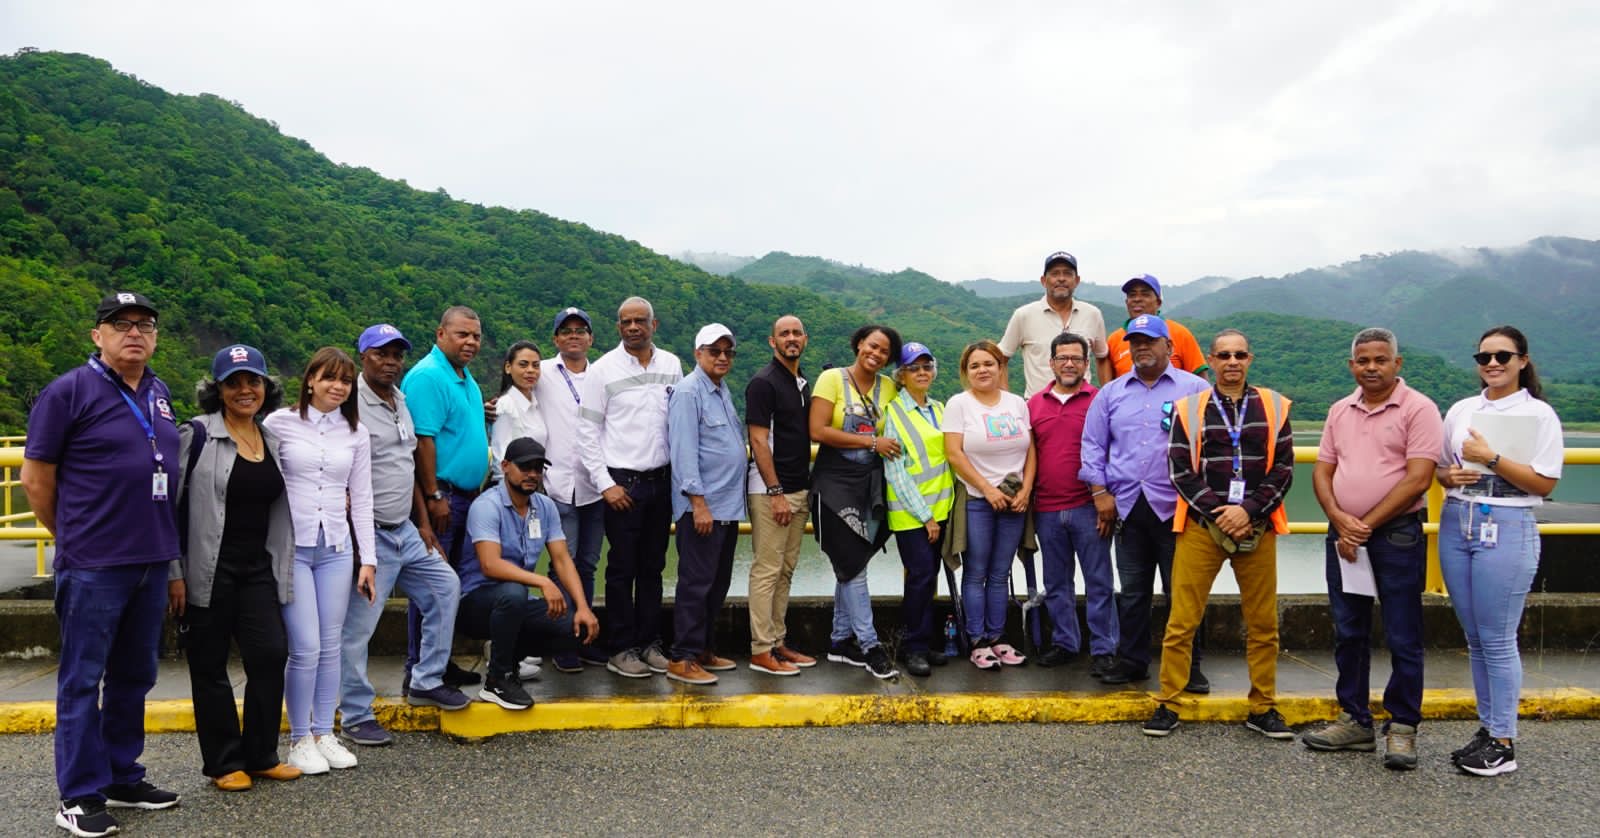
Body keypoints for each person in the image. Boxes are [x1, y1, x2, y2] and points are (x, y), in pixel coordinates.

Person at [23, 291, 182, 836]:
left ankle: (121, 775)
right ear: (98, 334)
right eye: (120, 323)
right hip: (94, 562)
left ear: (155, 336)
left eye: (145, 324)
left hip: (151, 558)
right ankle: (79, 794)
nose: (133, 331)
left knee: (135, 675)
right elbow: (36, 479)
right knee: (81, 679)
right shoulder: (69, 391)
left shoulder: (160, 393)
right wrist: (70, 537)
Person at [1143, 329, 1295, 740]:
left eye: (1240, 354)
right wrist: (1219, 513)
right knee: (1182, 620)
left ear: (1250, 359)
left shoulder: (1275, 406)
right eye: (1224, 355)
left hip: (1257, 525)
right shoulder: (1188, 408)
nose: (1232, 362)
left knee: (1263, 623)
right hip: (1201, 526)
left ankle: (1263, 706)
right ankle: (1168, 702)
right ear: (1210, 360)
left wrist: (1247, 510)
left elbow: (1283, 469)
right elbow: (1179, 469)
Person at [1302, 328, 1442, 769]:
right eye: (1363, 361)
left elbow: (1419, 478)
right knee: (1349, 629)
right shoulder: (1340, 410)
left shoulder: (1419, 408)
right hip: (1344, 534)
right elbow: (1323, 471)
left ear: (1397, 364)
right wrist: (1340, 519)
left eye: (1380, 360)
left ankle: (1402, 727)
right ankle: (1355, 721)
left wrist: (1362, 525)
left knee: (1403, 633)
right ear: (1352, 366)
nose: (1371, 367)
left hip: (1395, 534)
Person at [1434, 326, 1562, 777]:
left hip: (1508, 524)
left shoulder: (1539, 415)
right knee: (1474, 638)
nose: (1492, 364)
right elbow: (1441, 469)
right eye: (1484, 356)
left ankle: (1504, 741)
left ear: (1522, 361)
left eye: (1503, 357)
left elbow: (1545, 483)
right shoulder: (1462, 409)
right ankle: (1488, 730)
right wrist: (1449, 477)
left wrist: (1490, 459)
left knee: (1498, 638)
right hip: (1457, 520)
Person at [172, 345, 301, 791]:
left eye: (254, 381)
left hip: (256, 569)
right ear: (217, 389)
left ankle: (261, 753)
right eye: (234, 382)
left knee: (270, 656)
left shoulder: (272, 440)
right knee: (209, 667)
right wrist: (175, 573)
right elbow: (168, 509)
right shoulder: (196, 435)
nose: (245, 390)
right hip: (206, 568)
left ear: (267, 387)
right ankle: (224, 762)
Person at [338, 324, 469, 750]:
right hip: (369, 534)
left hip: (406, 530)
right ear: (363, 357)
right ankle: (356, 714)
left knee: (445, 587)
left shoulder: (401, 401)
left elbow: (405, 462)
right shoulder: (349, 405)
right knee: (358, 630)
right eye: (381, 354)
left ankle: (427, 680)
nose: (390, 361)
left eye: (396, 354)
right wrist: (357, 540)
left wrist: (424, 522)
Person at [263, 348, 378, 774]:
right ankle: (298, 739)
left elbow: (362, 498)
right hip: (293, 548)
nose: (337, 386)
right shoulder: (279, 423)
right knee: (306, 646)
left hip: (336, 547)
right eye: (329, 377)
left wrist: (368, 560)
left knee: (331, 645)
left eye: (345, 381)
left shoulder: (356, 432)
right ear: (309, 379)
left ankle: (323, 732)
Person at [1079, 315, 1210, 686]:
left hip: (1179, 506)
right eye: (1135, 342)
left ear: (1168, 346)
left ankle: (1189, 665)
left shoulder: (1195, 389)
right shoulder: (1112, 393)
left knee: (1181, 591)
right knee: (1133, 592)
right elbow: (1092, 446)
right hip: (1128, 505)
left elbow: (1212, 445)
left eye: (1150, 341)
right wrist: (1101, 494)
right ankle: (1132, 661)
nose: (1141, 348)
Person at [576, 297, 684, 678]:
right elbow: (587, 432)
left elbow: (680, 422)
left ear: (654, 325)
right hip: (623, 484)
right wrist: (605, 485)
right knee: (622, 568)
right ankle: (621, 647)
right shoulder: (602, 370)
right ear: (618, 327)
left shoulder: (672, 364)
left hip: (661, 481)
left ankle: (650, 642)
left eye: (640, 321)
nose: (633, 327)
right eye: (626, 322)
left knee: (653, 568)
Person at [459, 437, 601, 709]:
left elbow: (562, 559)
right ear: (505, 466)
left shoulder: (544, 507)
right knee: (514, 594)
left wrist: (583, 607)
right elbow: (490, 564)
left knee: (572, 628)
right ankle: (497, 681)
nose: (532, 474)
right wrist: (542, 581)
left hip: (513, 602)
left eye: (538, 468)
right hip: (474, 603)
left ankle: (510, 661)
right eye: (525, 467)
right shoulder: (487, 505)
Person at [401, 306, 489, 693]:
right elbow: (423, 440)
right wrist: (434, 494)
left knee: (450, 587)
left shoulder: (464, 377)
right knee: (431, 587)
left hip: (468, 497)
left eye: (475, 336)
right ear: (440, 334)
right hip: (443, 497)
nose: (470, 342)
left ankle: (440, 662)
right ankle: (417, 669)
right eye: (462, 334)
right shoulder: (427, 376)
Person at [809, 324, 903, 680]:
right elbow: (817, 430)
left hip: (871, 485)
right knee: (853, 565)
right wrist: (869, 443)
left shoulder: (889, 387)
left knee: (851, 563)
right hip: (834, 483)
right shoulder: (832, 379)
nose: (875, 354)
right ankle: (870, 645)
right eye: (871, 346)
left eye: (883, 351)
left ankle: (839, 641)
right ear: (859, 344)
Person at [1027, 332, 1117, 670]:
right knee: (1056, 582)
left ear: (1086, 364)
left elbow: (1113, 452)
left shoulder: (1101, 400)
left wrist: (1106, 498)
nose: (1069, 363)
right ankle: (1065, 642)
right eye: (1062, 358)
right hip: (1047, 508)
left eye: (1076, 358)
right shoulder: (1033, 405)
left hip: (1089, 507)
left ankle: (1104, 649)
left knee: (1099, 580)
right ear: (1051, 363)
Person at [943, 340, 1035, 669]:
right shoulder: (959, 404)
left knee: (1001, 572)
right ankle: (977, 640)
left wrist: (1026, 488)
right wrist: (986, 488)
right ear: (966, 372)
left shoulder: (1016, 403)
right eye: (975, 366)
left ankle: (998, 639)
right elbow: (954, 453)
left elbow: (1030, 449)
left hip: (1014, 499)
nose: (982, 370)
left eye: (989, 364)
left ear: (1000, 367)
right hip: (978, 501)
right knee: (976, 571)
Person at [664, 324, 748, 685]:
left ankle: (702, 649)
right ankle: (682, 657)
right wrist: (697, 502)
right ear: (697, 353)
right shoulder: (687, 392)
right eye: (715, 351)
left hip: (727, 507)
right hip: (703, 507)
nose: (723, 357)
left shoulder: (720, 389)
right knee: (696, 583)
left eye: (728, 352)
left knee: (717, 583)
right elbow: (683, 452)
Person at [535, 307, 608, 667]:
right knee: (561, 566)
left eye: (581, 330)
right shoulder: (543, 372)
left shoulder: (604, 375)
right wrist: (494, 407)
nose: (574, 335)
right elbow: (514, 390)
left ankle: (584, 636)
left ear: (591, 338)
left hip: (596, 487)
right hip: (558, 485)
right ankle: (561, 641)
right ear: (556, 339)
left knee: (588, 564)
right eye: (566, 331)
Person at [745, 315, 817, 676]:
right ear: (772, 341)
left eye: (796, 333)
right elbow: (758, 440)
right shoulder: (763, 382)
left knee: (785, 571)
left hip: (799, 487)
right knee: (767, 570)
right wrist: (775, 492)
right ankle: (761, 649)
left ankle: (778, 641)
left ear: (805, 339)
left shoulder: (802, 382)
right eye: (783, 334)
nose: (791, 338)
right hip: (772, 491)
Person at [882, 342, 954, 677]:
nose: (922, 373)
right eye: (914, 368)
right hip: (913, 515)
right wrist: (925, 516)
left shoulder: (940, 409)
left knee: (930, 579)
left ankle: (925, 643)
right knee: (921, 577)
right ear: (902, 375)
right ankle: (912, 648)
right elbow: (895, 472)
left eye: (927, 366)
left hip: (943, 509)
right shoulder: (894, 412)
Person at [998, 250, 1111, 396]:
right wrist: (1008, 402)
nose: (1061, 279)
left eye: (1067, 273)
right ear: (1044, 280)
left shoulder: (1092, 314)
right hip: (1037, 408)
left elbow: (1102, 357)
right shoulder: (1024, 315)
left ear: (1076, 280)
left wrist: (1107, 397)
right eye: (1055, 273)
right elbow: (1000, 358)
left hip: (1083, 406)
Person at [1103, 275, 1208, 378]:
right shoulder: (1114, 339)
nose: (1137, 299)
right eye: (1132, 295)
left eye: (1145, 294)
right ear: (1127, 302)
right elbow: (1110, 386)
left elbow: (1200, 380)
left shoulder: (1179, 333)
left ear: (1158, 302)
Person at [489, 340, 549, 484]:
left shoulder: (536, 404)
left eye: (536, 366)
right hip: (515, 489)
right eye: (523, 364)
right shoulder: (506, 404)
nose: (530, 370)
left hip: (535, 485)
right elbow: (500, 458)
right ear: (508, 367)